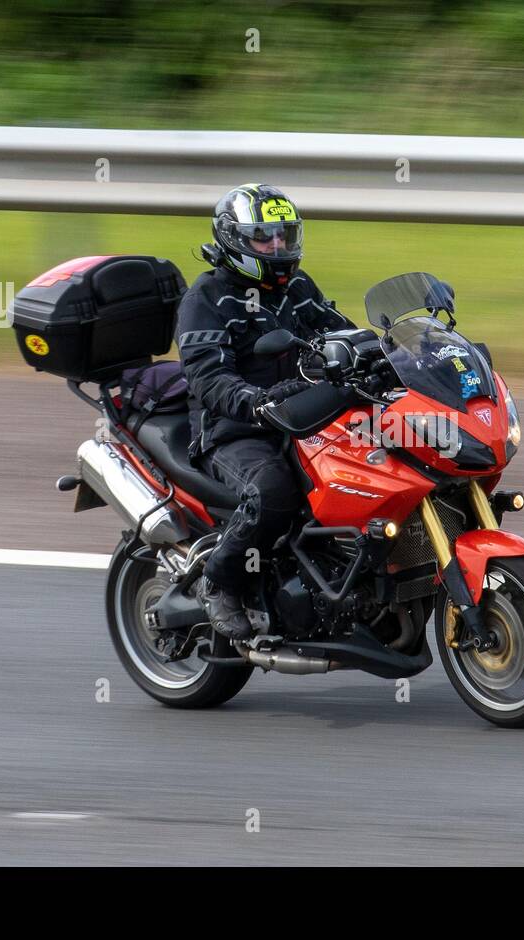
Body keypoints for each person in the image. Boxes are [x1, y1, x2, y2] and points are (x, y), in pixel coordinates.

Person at [175, 184, 354, 640]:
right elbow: (208, 379)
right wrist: (257, 403)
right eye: (264, 237)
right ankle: (219, 582)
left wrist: (389, 353)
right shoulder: (207, 299)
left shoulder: (297, 286)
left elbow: (342, 333)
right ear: (234, 238)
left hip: (305, 416)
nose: (277, 247)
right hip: (235, 431)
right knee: (274, 491)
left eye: (284, 236)